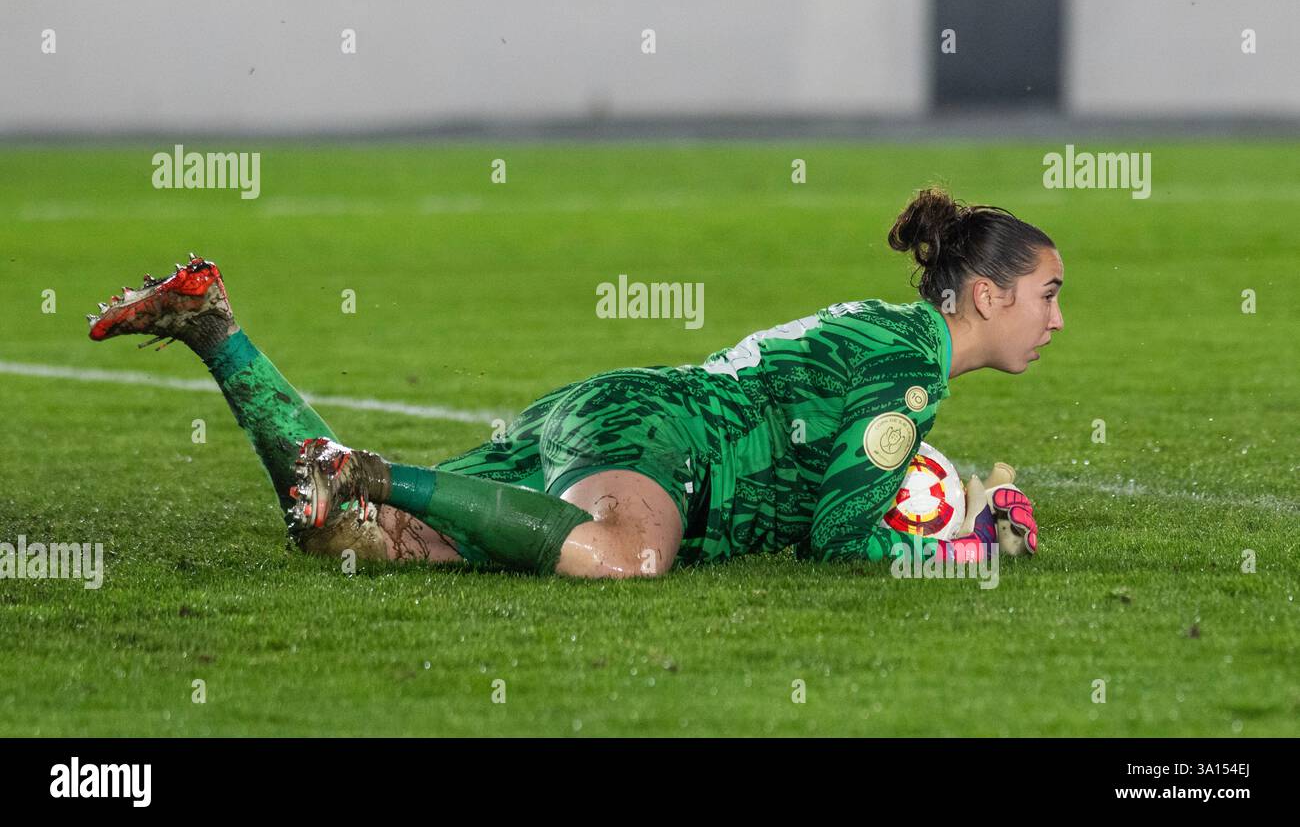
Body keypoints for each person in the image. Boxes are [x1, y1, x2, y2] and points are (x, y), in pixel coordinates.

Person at [87, 185, 1059, 579]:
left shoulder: (884, 336)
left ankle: (216, 326)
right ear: (983, 292)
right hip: (664, 442)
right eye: (1046, 294)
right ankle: (371, 468)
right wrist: (970, 541)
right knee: (628, 560)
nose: (1056, 319)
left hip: (619, 415)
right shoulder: (909, 365)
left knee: (339, 536)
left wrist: (952, 494)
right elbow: (843, 538)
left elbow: (841, 469)